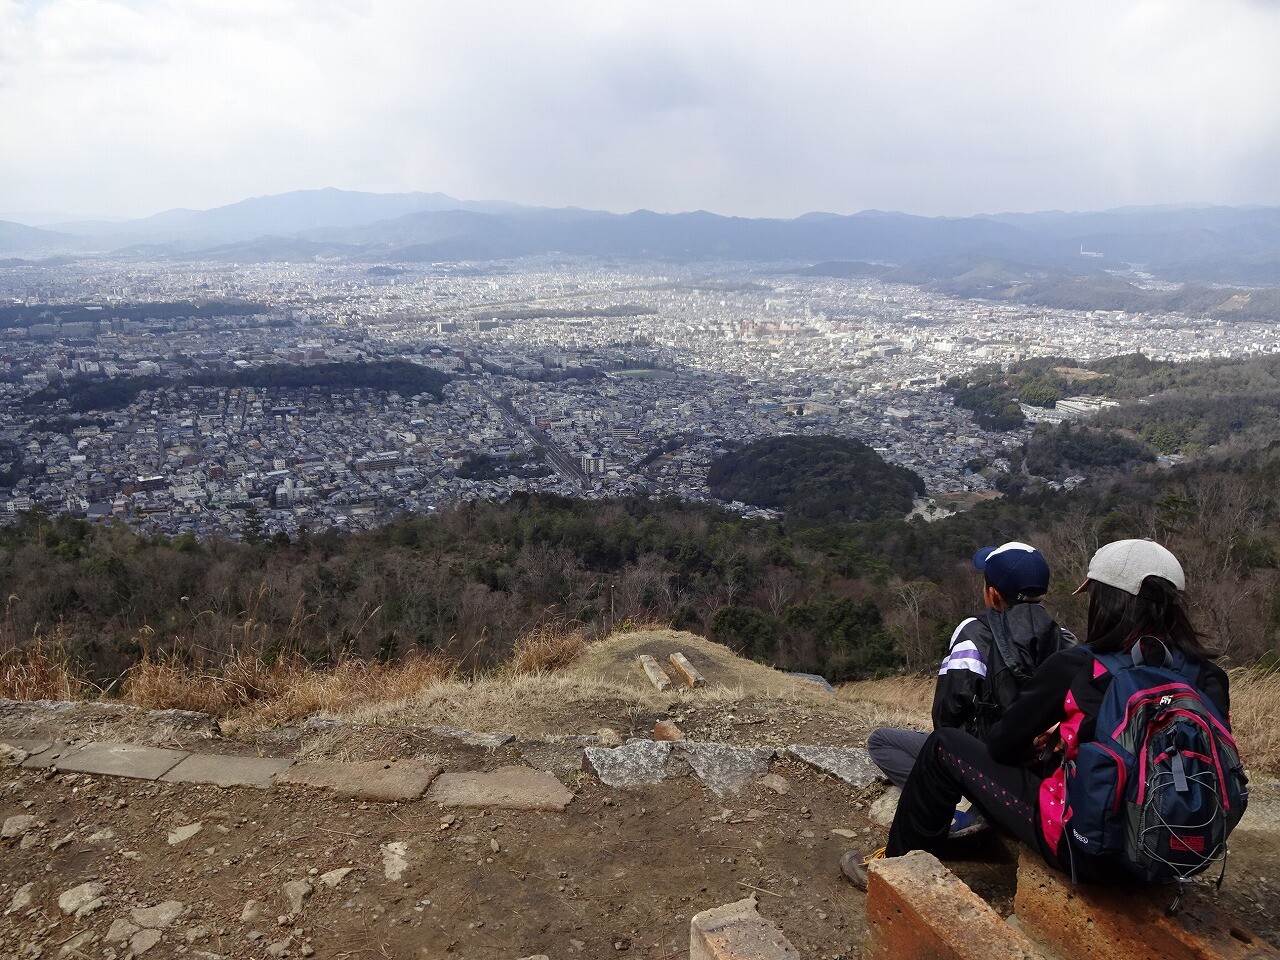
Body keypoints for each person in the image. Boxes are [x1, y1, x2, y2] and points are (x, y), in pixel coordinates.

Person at [841, 539, 1230, 890]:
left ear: (1106, 600)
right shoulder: (1209, 677)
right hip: (1177, 854)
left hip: (1090, 853)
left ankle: (897, 869)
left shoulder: (1080, 664)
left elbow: (1002, 745)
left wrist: (1044, 741)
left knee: (944, 746)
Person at [866, 542, 1075, 836]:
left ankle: (962, 804)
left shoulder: (973, 634)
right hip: (1038, 774)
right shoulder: (1065, 640)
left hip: (983, 761)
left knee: (881, 741)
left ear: (992, 593)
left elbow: (945, 719)